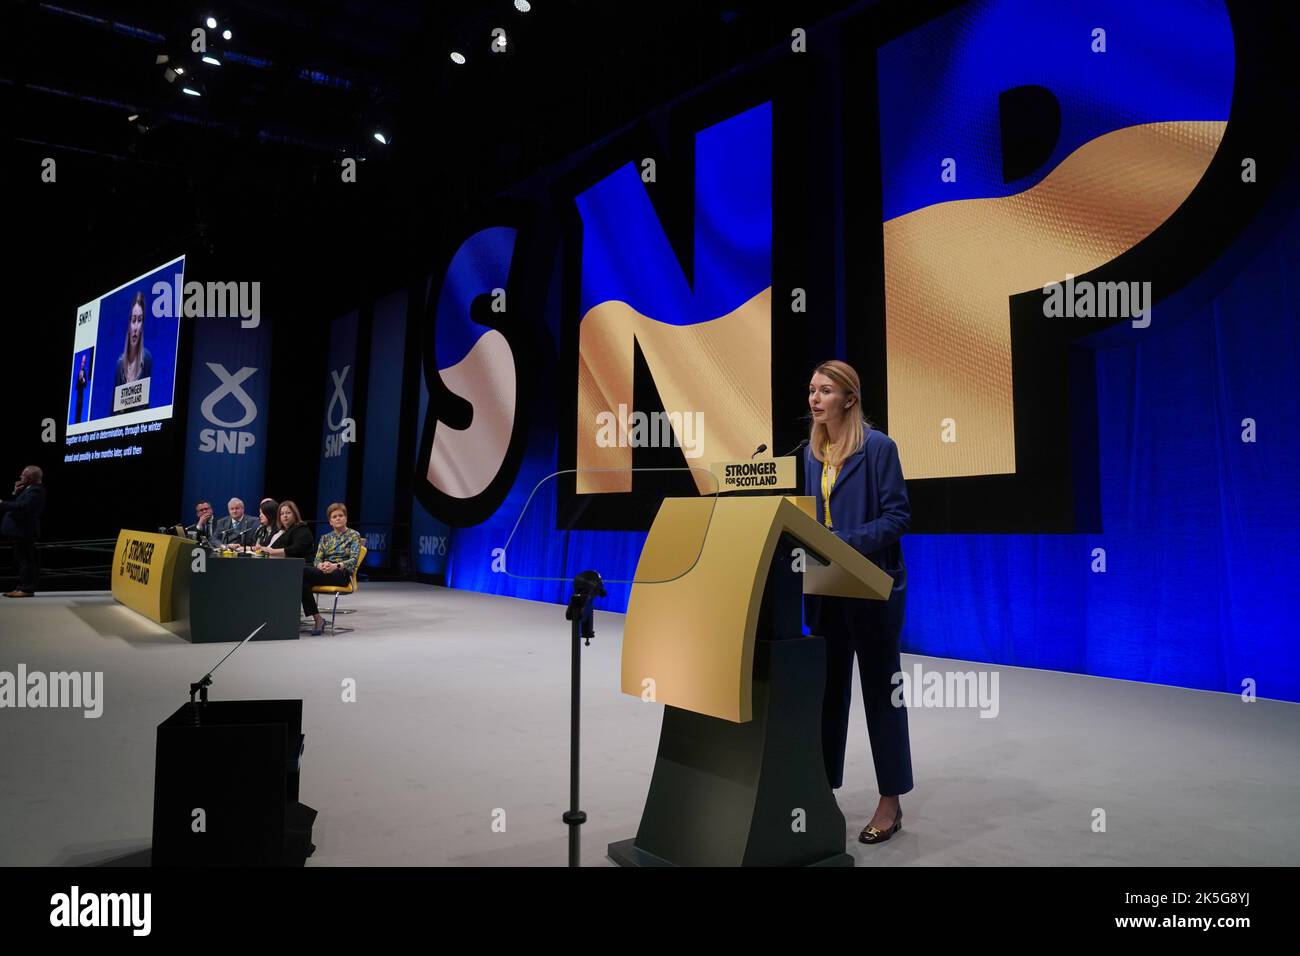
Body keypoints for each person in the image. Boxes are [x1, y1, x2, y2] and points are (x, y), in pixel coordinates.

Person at [804, 359, 912, 845]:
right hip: (825, 589)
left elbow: (897, 517)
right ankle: (822, 792)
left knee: (880, 696)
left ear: (849, 398)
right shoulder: (806, 455)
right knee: (827, 697)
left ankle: (890, 801)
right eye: (812, 390)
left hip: (872, 587)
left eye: (825, 390)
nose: (815, 398)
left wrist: (843, 542)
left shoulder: (878, 448)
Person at [302, 502, 361, 635]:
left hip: (341, 574)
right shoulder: (325, 538)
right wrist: (320, 565)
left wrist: (335, 566)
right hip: (324, 571)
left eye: (341, 515)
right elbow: (317, 559)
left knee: (302, 572)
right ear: (330, 522)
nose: (338, 518)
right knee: (301, 579)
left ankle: (318, 620)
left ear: (346, 518)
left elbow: (353, 560)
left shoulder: (354, 535)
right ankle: (318, 619)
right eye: (334, 517)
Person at [1, 466, 48, 598]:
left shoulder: (36, 491)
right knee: (23, 561)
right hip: (20, 532)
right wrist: (16, 492)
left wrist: (2, 503)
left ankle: (26, 589)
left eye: (23, 475)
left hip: (24, 532)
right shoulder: (29, 489)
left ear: (31, 478)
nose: (20, 477)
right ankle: (22, 587)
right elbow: (19, 503)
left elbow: (23, 507)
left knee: (26, 561)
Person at [113, 292, 153, 398]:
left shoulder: (147, 359)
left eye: (139, 320)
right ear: (129, 324)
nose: (135, 327)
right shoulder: (119, 364)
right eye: (133, 320)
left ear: (142, 326)